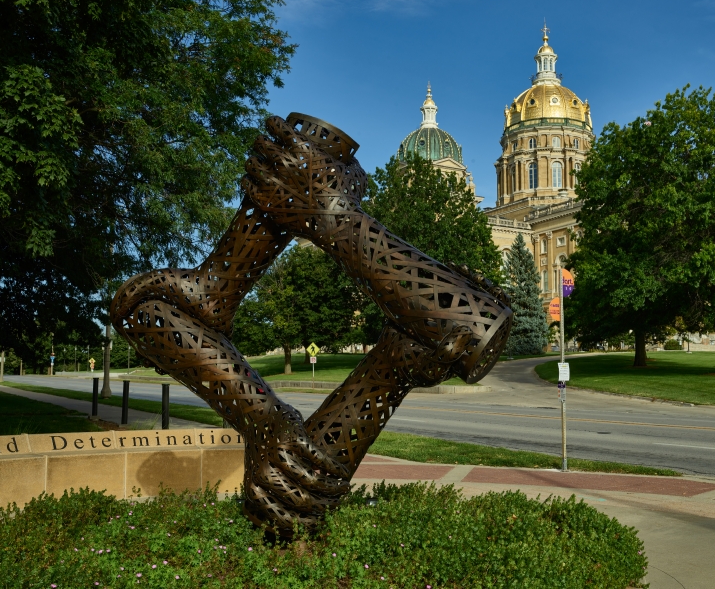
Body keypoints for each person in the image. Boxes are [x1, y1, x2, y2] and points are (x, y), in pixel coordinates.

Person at [110, 114, 512, 536]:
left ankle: (224, 283)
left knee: (143, 307)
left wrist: (331, 211)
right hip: (308, 470)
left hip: (305, 464)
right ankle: (227, 281)